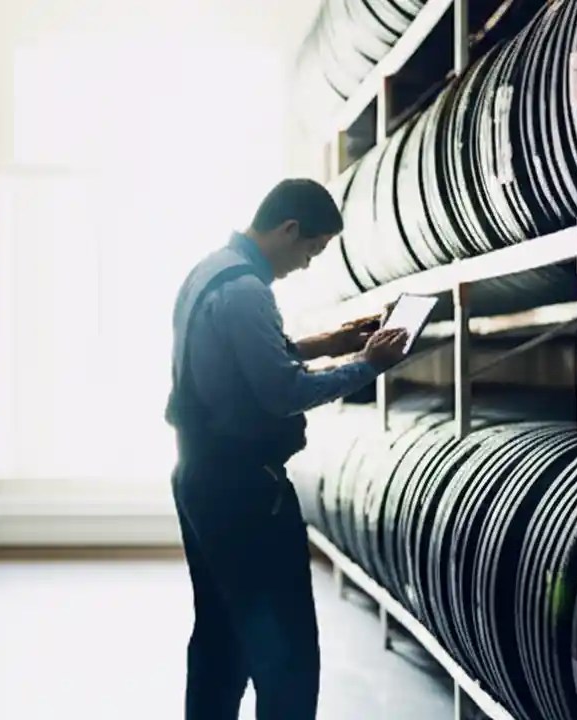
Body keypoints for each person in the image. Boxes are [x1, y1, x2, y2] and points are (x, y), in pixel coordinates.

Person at [165, 178, 409, 719]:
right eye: (311, 249)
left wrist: (335, 342)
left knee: (221, 633)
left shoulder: (211, 271)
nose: (307, 263)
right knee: (288, 647)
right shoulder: (250, 290)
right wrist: (368, 366)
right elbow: (282, 392)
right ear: (289, 229)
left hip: (199, 476)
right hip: (243, 489)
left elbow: (248, 359)